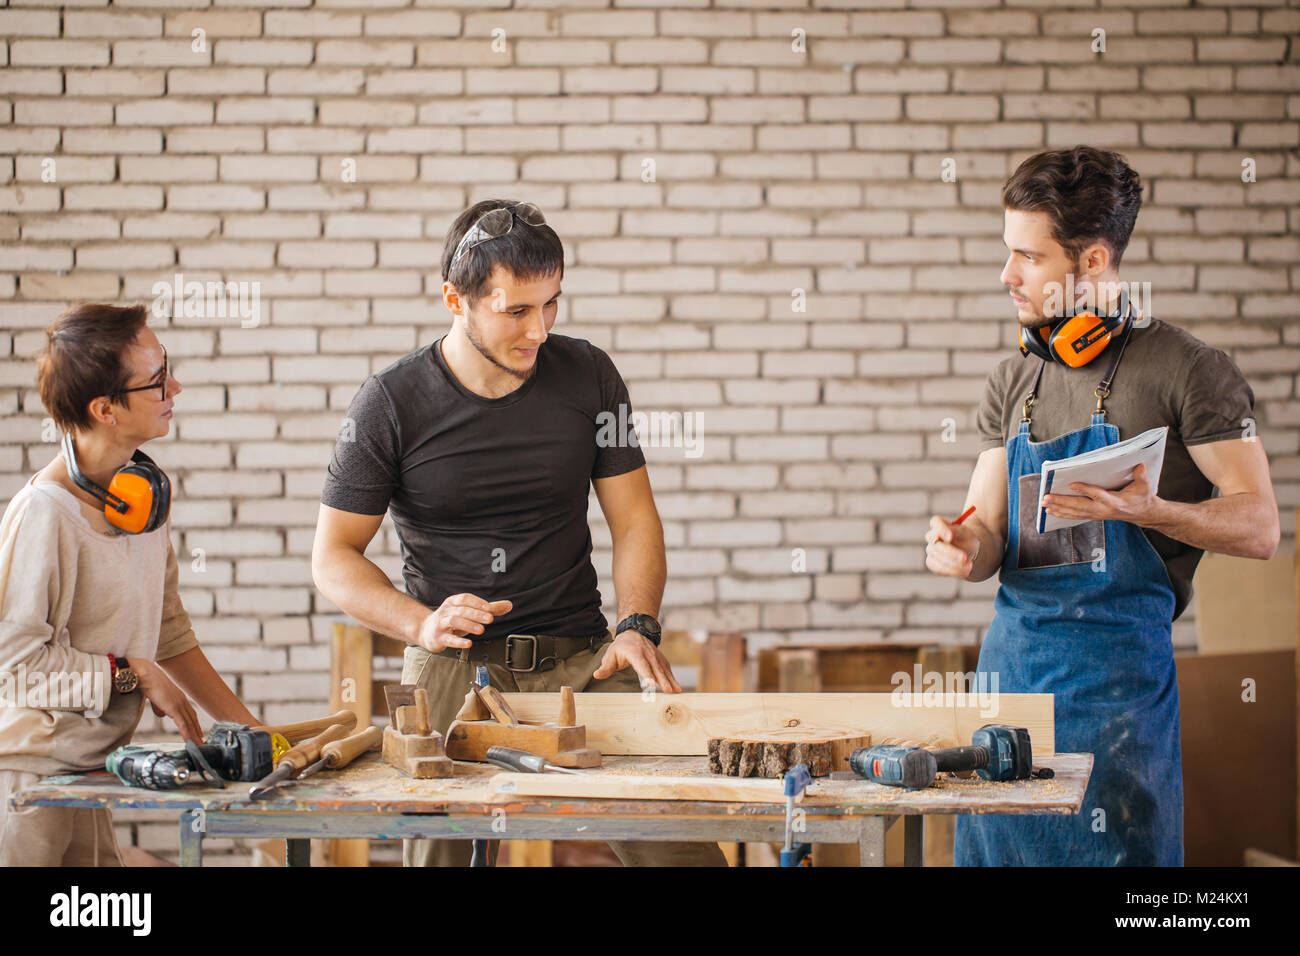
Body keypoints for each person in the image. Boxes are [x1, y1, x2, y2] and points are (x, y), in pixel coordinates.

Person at [313, 199, 727, 867]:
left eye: (551, 305)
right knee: (441, 857)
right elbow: (333, 557)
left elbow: (635, 519)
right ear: (455, 299)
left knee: (681, 851)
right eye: (516, 311)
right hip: (452, 668)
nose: (538, 330)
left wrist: (638, 623)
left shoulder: (590, 375)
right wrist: (419, 624)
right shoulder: (390, 403)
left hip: (584, 658)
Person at [926, 147, 1280, 866]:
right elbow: (988, 528)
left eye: (1027, 257)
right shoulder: (1013, 378)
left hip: (1117, 698)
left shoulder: (1189, 370)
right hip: (1011, 687)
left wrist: (1153, 513)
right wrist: (964, 551)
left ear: (1091, 261)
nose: (1006, 275)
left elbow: (1260, 525)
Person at [0, 303, 258, 866]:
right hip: (26, 782)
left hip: (88, 773)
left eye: (167, 367)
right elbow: (14, 665)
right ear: (105, 409)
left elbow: (169, 634)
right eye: (156, 380)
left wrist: (254, 729)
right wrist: (131, 674)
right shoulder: (44, 513)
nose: (176, 386)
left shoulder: (141, 502)